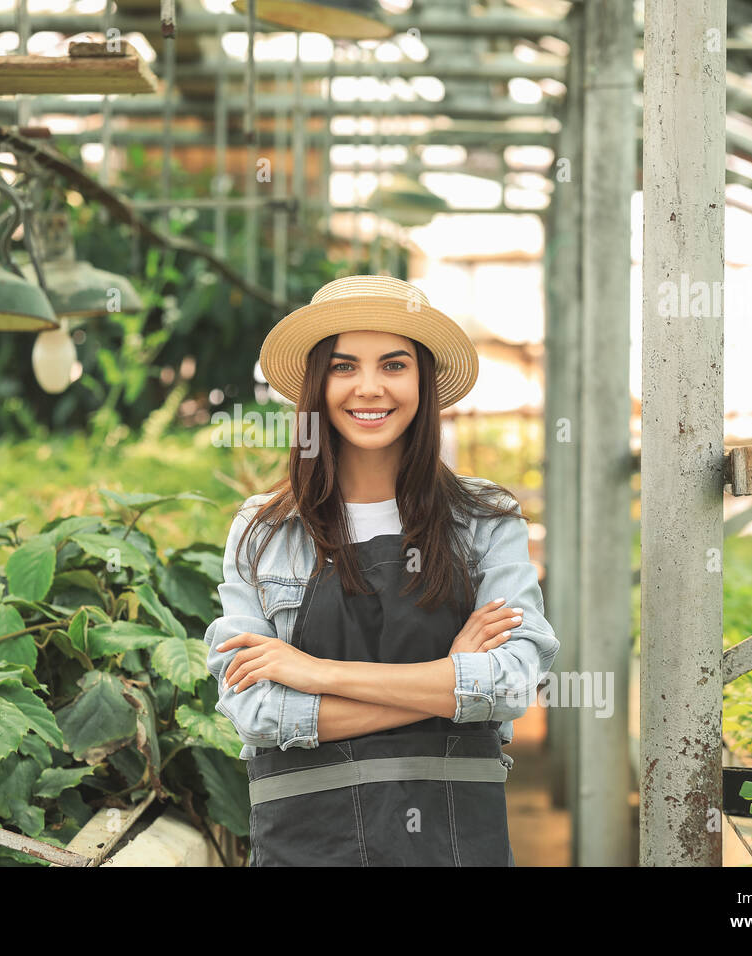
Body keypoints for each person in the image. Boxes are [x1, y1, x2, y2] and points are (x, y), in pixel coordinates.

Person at [203, 274, 560, 866]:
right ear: (317, 384)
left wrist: (315, 674)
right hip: (307, 845)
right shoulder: (265, 531)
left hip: (451, 843)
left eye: (393, 365)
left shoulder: (484, 520)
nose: (369, 388)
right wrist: (448, 681)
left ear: (423, 380)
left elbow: (514, 680)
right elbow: (260, 713)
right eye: (344, 367)